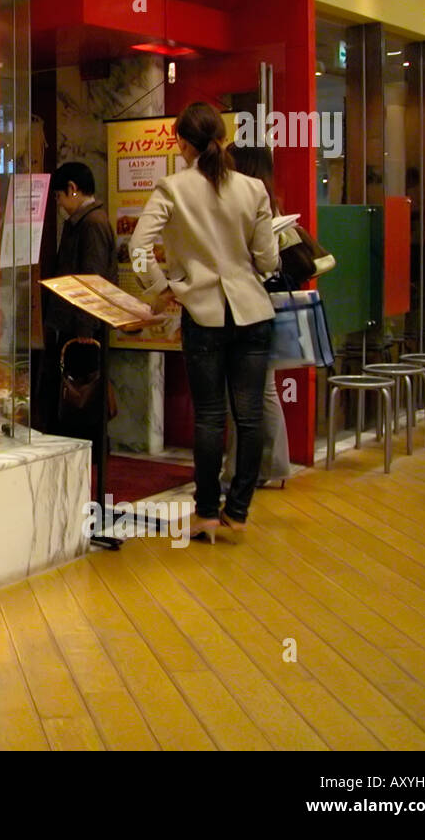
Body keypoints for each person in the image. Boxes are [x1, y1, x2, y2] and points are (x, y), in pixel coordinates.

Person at [129, 102, 279, 539]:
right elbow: (268, 259)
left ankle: (207, 512)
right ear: (223, 138)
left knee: (210, 417)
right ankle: (240, 508)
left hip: (203, 315)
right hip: (252, 313)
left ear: (181, 142)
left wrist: (161, 287)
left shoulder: (172, 188)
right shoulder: (253, 189)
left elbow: (139, 246)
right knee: (249, 416)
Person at [221, 143, 292, 491]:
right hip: (266, 308)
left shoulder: (248, 203)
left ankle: (240, 472)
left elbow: (260, 261)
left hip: (248, 309)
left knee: (246, 394)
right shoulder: (271, 202)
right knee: (263, 391)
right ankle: (270, 465)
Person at [36, 162, 118, 435]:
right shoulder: (82, 221)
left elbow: (92, 277)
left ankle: (88, 449)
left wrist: (84, 325)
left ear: (72, 189)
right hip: (72, 321)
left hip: (82, 326)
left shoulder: (92, 223)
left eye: (58, 196)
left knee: (81, 392)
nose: (59, 204)